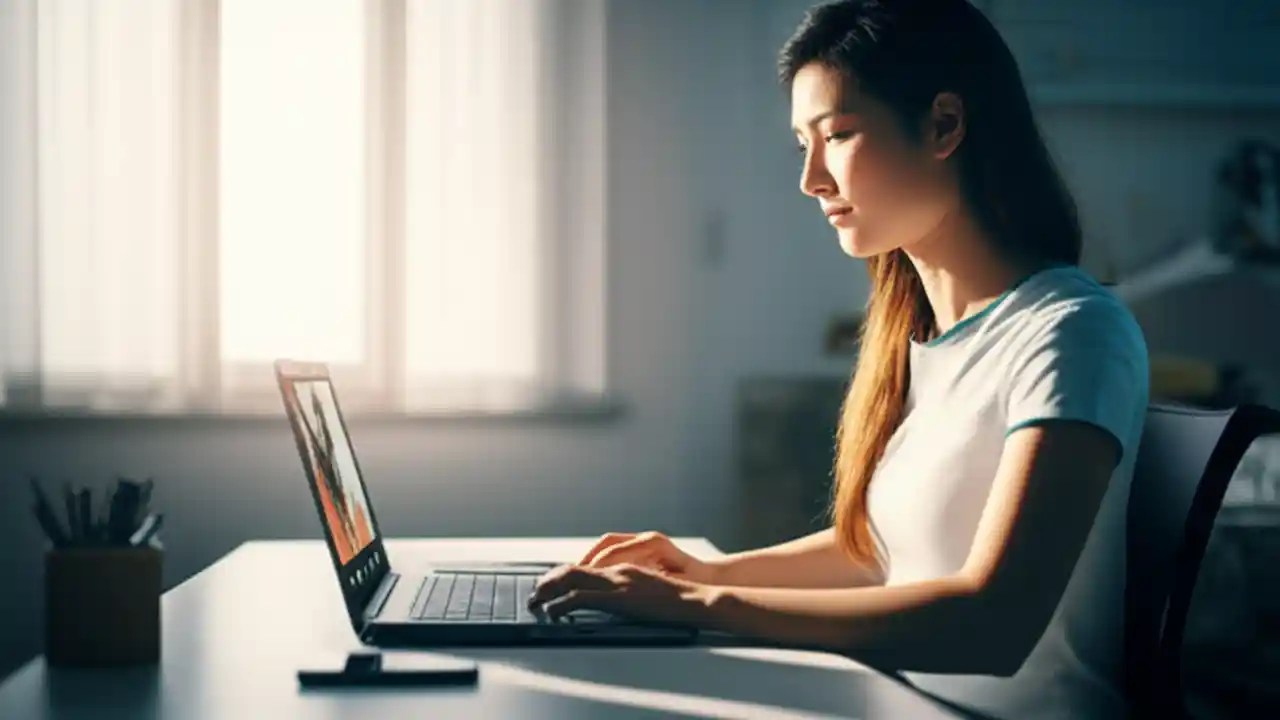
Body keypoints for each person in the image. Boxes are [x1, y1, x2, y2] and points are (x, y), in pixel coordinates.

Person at [526, 1, 1149, 718]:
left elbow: (993, 624)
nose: (812, 179)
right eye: (804, 145)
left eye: (839, 135)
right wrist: (702, 572)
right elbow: (879, 553)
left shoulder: (1071, 331)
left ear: (944, 125)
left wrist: (699, 602)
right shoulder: (930, 337)